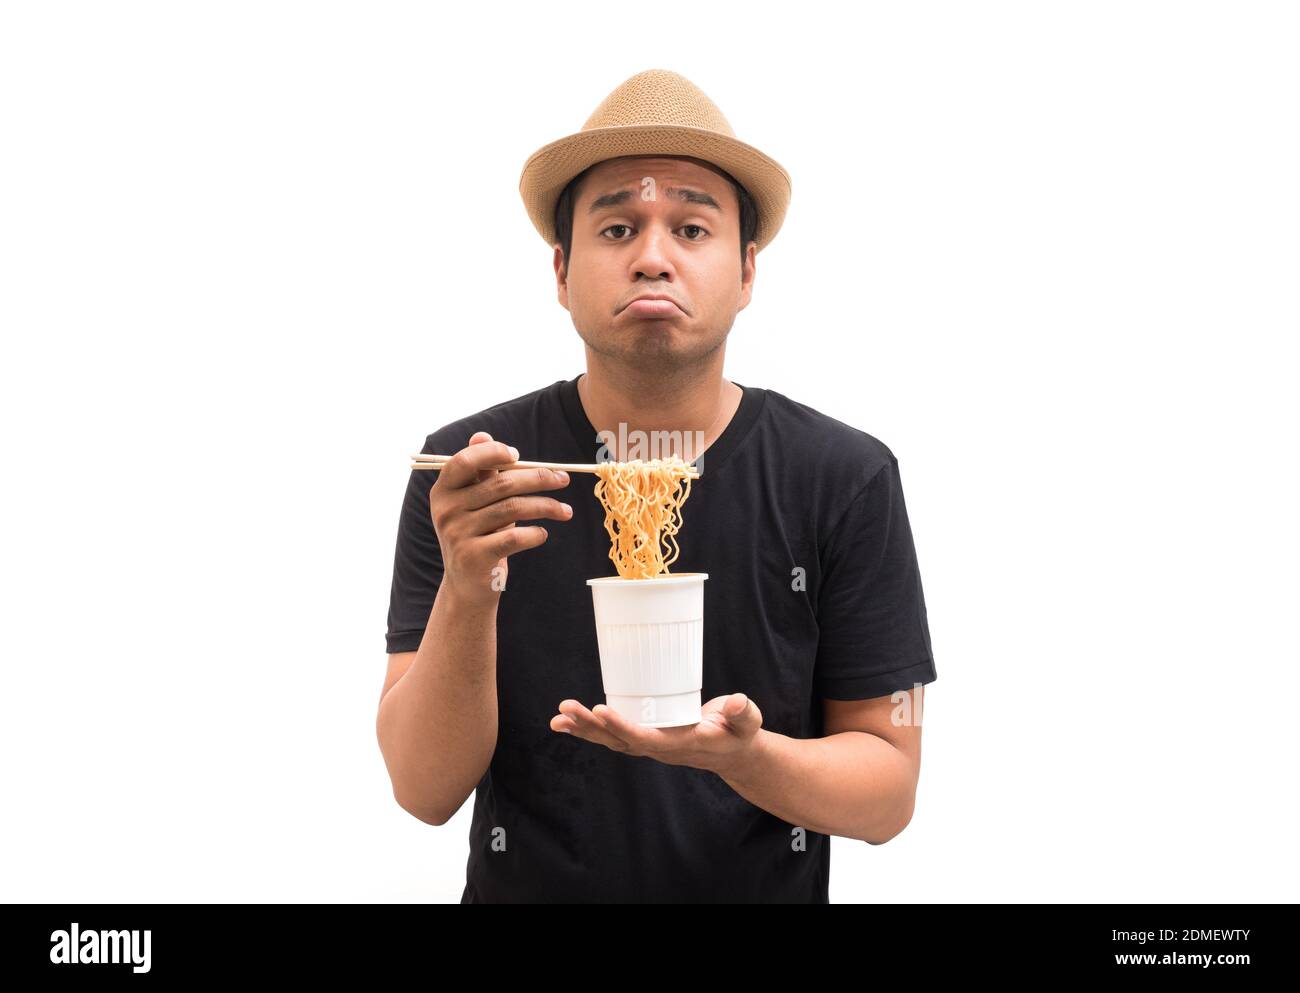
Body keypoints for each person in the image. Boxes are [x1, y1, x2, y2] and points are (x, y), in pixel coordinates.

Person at [377, 69, 937, 903]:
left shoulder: (843, 478)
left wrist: (746, 757)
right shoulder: (475, 473)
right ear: (561, 271)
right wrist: (468, 580)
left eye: (691, 226)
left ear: (748, 270)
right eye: (616, 227)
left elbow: (888, 789)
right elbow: (423, 788)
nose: (651, 256)